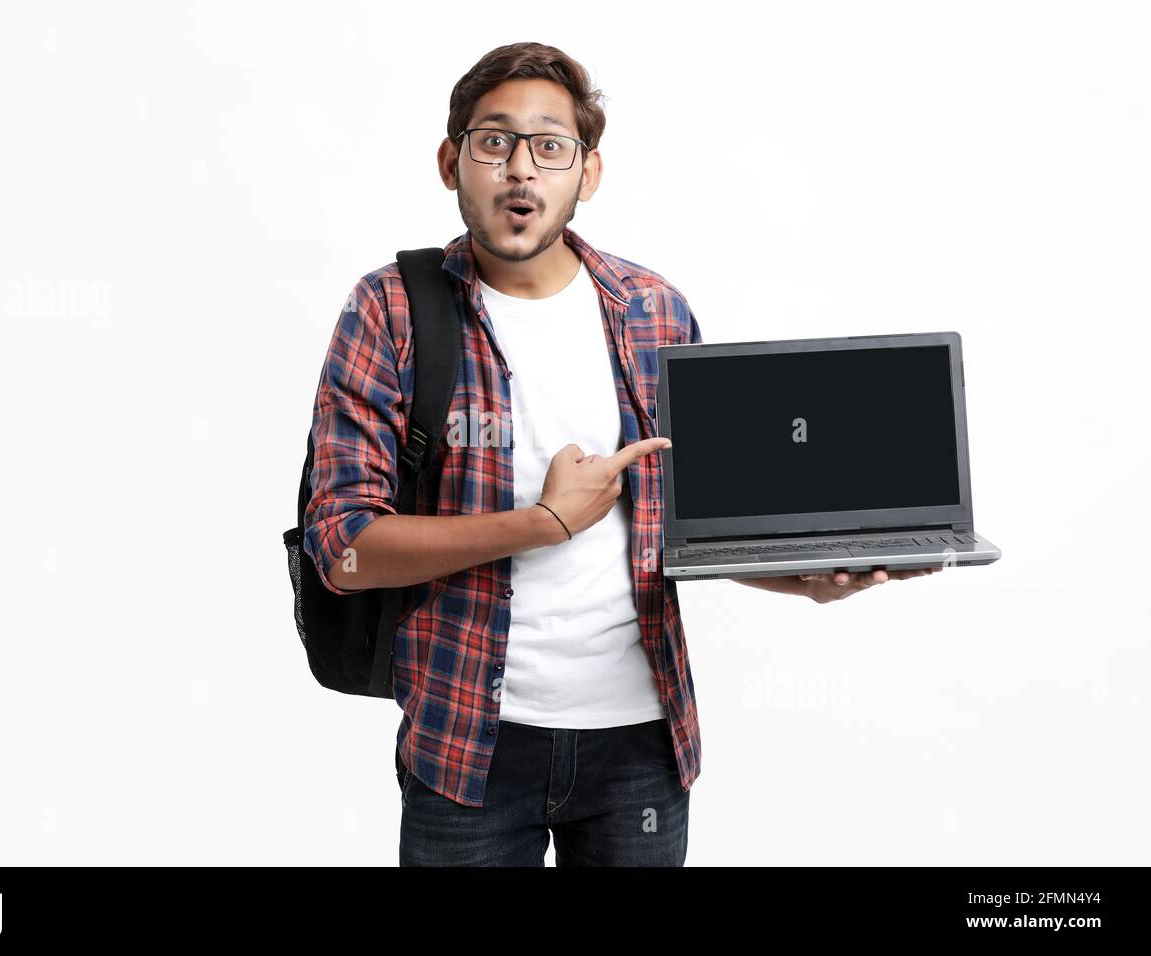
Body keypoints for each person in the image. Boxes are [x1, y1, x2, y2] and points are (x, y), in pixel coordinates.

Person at [300, 41, 940, 866]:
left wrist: (804, 576)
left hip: (641, 746)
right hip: (467, 745)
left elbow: (694, 521)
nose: (520, 171)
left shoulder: (653, 311)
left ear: (587, 174)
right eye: (494, 143)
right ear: (450, 162)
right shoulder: (389, 309)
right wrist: (540, 523)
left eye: (549, 147)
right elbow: (342, 548)